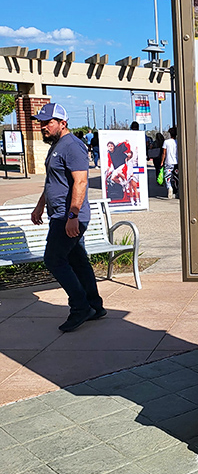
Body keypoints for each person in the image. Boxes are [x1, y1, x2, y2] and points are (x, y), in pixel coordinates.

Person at [30, 103, 105, 332]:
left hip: (69, 216)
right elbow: (54, 181)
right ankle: (95, 305)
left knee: (53, 259)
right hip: (61, 214)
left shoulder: (72, 146)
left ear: (63, 123)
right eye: (41, 123)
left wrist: (72, 215)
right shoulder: (57, 145)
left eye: (48, 122)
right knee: (77, 261)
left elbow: (81, 182)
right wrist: (40, 205)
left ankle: (80, 307)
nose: (43, 127)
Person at [161, 126, 179, 198]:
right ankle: (176, 191)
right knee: (176, 177)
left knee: (168, 176)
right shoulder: (178, 142)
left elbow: (164, 153)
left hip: (168, 162)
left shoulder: (166, 142)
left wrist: (162, 161)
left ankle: (169, 188)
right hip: (176, 162)